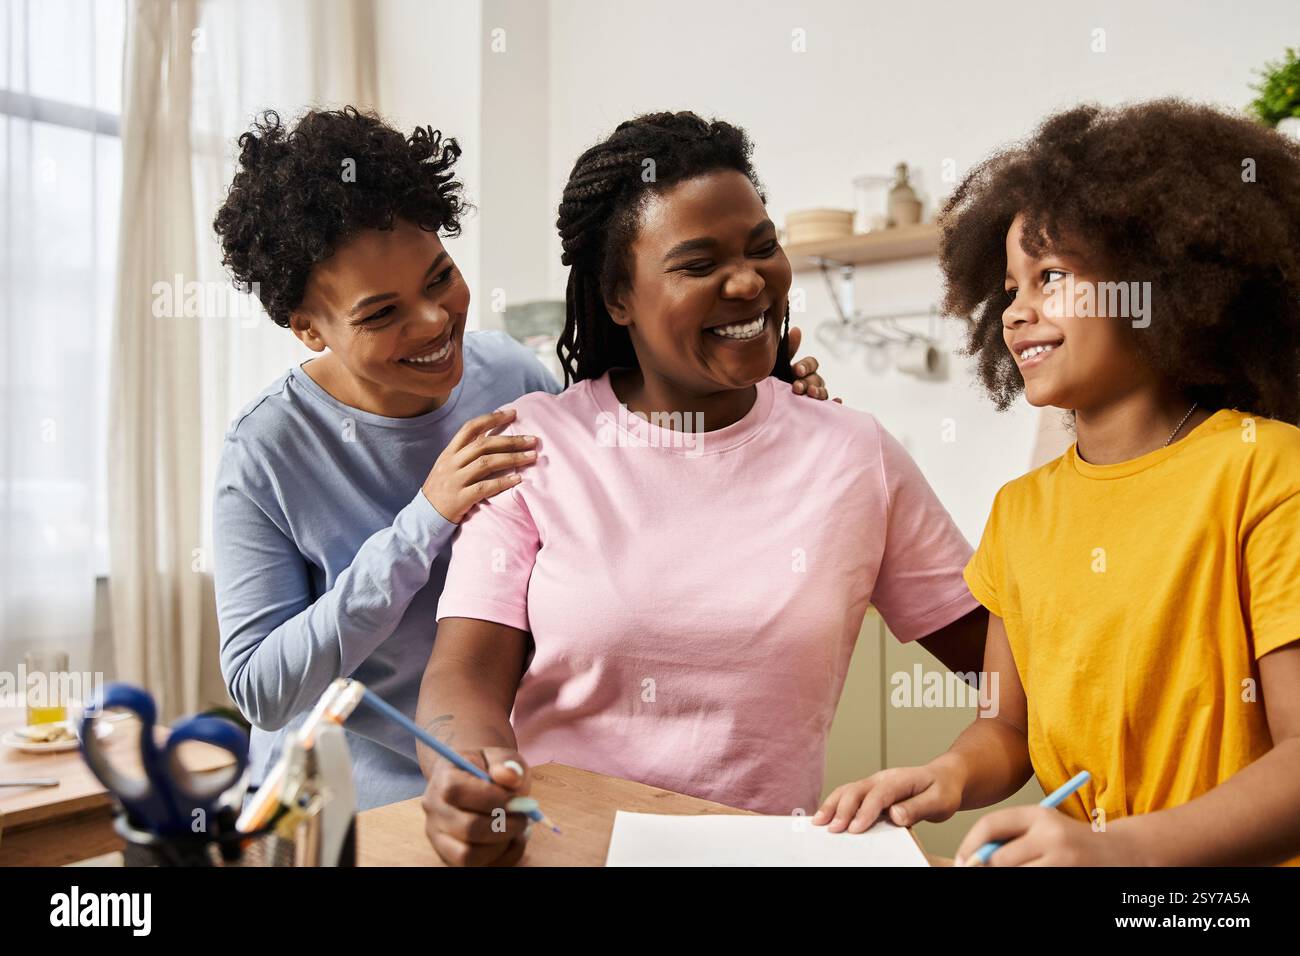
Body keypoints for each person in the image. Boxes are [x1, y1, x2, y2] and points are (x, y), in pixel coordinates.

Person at [210, 107, 831, 810]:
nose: (434, 323)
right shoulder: (266, 451)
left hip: (504, 785)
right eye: (381, 315)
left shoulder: (509, 377)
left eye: (440, 278)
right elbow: (261, 688)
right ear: (308, 329)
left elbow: (625, 490)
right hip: (350, 810)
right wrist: (422, 523)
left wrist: (757, 403)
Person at [416, 112, 987, 866]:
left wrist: (956, 769)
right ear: (618, 297)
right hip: (566, 850)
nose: (750, 281)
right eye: (697, 264)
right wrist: (470, 771)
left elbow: (1008, 672)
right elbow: (465, 677)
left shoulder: (854, 455)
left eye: (763, 247)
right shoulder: (534, 444)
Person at [815, 100, 1300, 866]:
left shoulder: (1266, 471)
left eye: (1050, 277)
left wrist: (1121, 852)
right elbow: (1006, 730)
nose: (1018, 312)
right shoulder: (1021, 512)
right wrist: (943, 775)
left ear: (1162, 285)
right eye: (1010, 287)